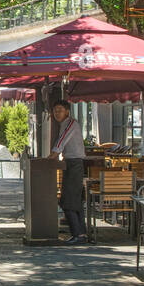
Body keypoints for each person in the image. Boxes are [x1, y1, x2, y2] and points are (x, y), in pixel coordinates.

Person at [50, 99, 88, 244]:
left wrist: (52, 156)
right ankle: (80, 233)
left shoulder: (71, 124)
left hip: (74, 164)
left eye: (60, 110)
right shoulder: (63, 124)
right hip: (70, 163)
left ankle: (78, 234)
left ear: (67, 111)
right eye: (55, 110)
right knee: (74, 201)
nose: (57, 113)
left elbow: (61, 141)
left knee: (68, 201)